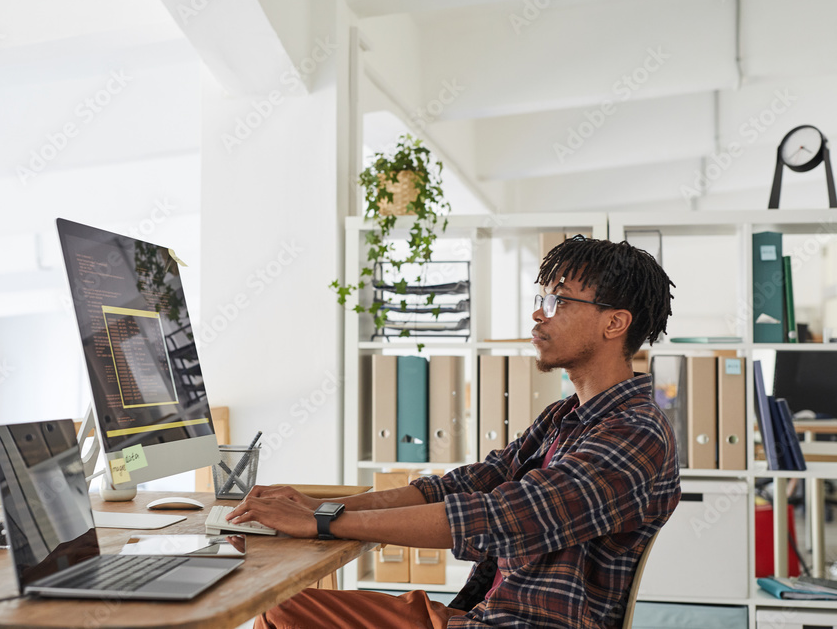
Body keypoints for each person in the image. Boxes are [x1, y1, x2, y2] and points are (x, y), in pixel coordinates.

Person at [229, 235, 682, 628]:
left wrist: (325, 522)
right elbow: (461, 486)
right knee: (288, 607)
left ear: (614, 322)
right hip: (485, 614)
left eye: (558, 302)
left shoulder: (636, 432)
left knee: (282, 612)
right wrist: (326, 507)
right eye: (542, 300)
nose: (538, 316)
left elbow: (502, 516)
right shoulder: (564, 417)